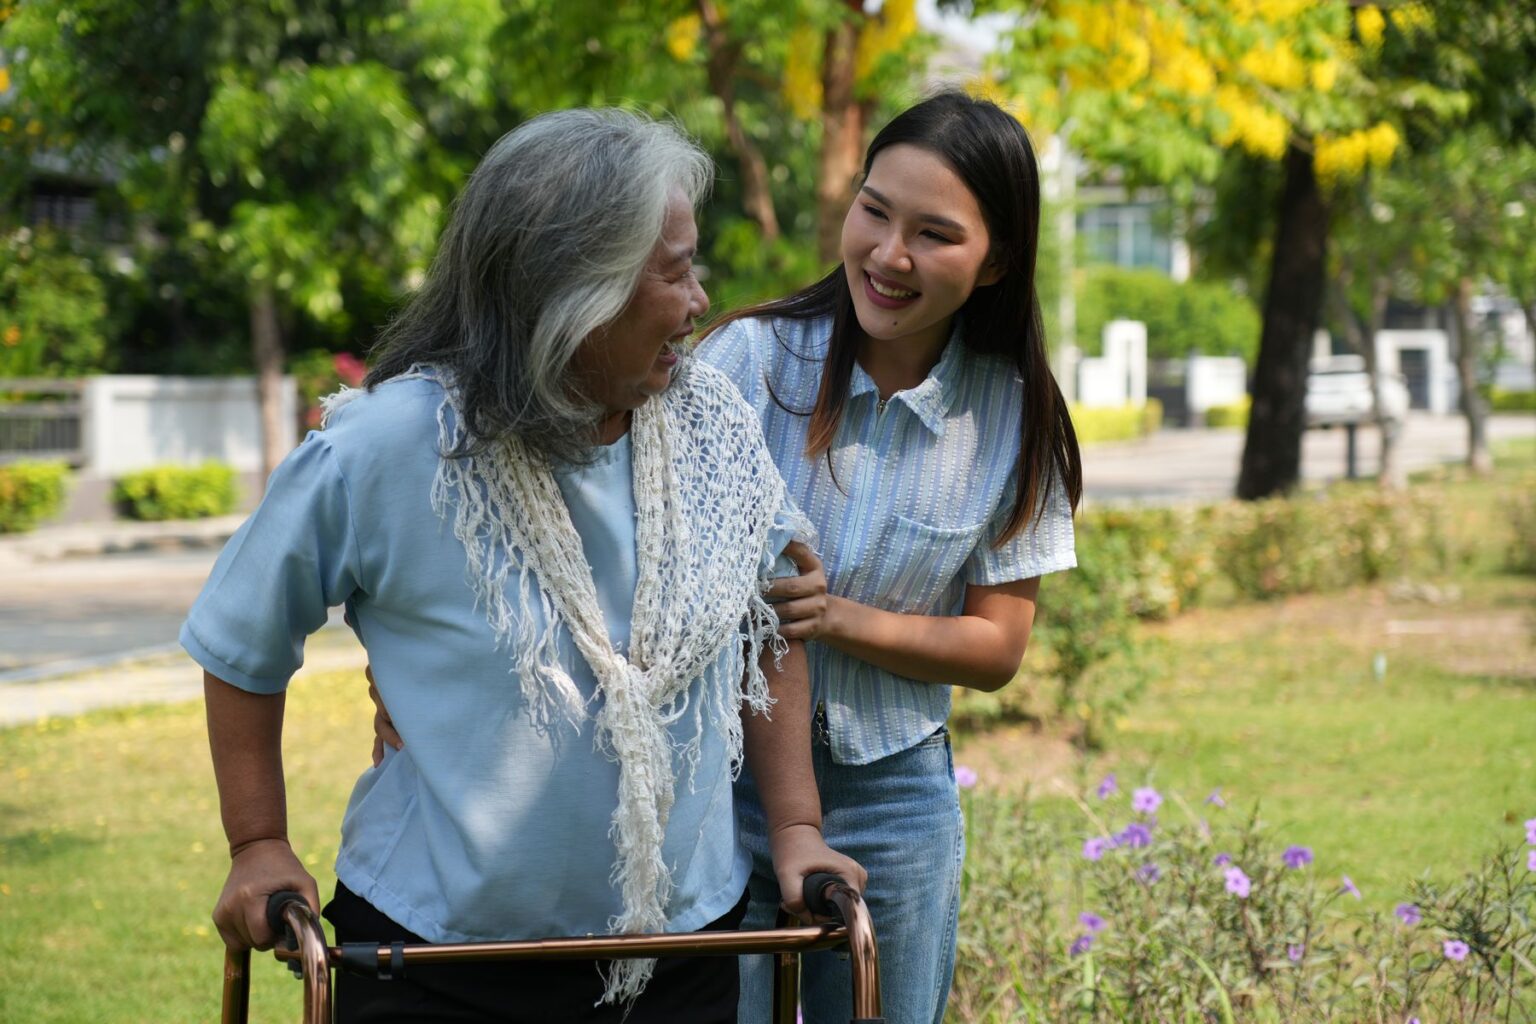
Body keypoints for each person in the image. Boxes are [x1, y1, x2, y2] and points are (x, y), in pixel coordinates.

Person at [184, 107, 863, 1024]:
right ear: (574, 292)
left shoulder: (713, 427)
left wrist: (797, 828)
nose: (700, 300)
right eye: (674, 272)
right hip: (436, 957)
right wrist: (258, 841)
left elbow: (768, 625)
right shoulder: (388, 446)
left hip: (681, 950)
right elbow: (242, 638)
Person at [697, 91, 1083, 1024]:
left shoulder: (1016, 417)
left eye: (935, 235)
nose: (889, 254)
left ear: (996, 262)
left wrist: (838, 619)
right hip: (711, 783)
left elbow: (996, 649)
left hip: (894, 798)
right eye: (874, 211)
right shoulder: (747, 362)